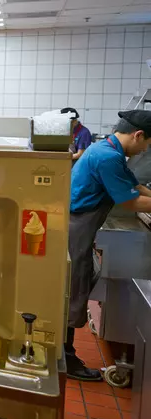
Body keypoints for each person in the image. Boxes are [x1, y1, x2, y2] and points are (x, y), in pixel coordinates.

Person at [67, 110, 151, 381]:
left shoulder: (106, 148)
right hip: (76, 228)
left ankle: (64, 353)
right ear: (138, 135)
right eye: (147, 143)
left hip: (81, 226)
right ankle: (65, 359)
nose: (145, 149)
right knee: (73, 292)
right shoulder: (108, 156)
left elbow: (133, 186)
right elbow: (129, 202)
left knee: (76, 288)